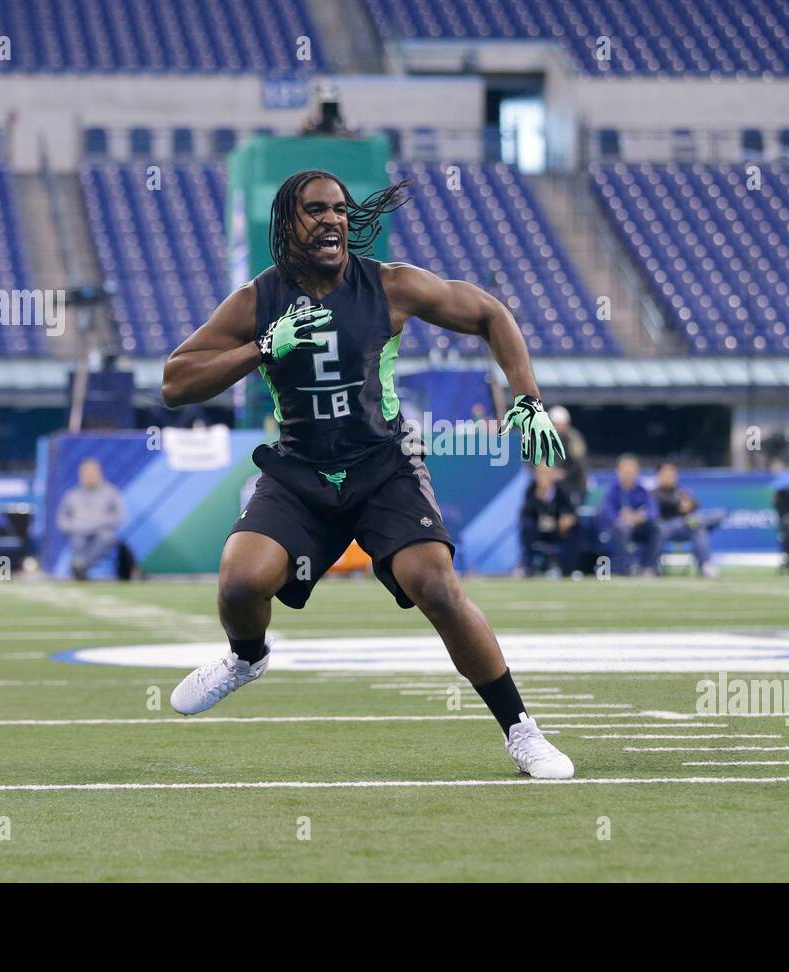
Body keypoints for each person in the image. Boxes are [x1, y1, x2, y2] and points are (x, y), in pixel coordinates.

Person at [159, 169, 573, 778]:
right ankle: (246, 659)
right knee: (241, 583)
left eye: (340, 210)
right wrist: (262, 348)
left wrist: (527, 396)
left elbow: (490, 314)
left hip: (383, 464)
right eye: (315, 210)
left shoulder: (389, 285)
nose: (332, 219)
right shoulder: (258, 299)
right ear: (287, 223)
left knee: (434, 584)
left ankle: (521, 730)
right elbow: (175, 381)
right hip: (300, 469)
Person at [56, 457, 126, 581]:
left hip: (101, 532)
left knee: (106, 537)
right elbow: (62, 520)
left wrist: (98, 523)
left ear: (99, 473)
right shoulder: (72, 494)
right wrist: (75, 526)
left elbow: (119, 516)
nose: (88, 476)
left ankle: (80, 565)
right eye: (85, 473)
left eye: (92, 473)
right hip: (79, 533)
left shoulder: (111, 492)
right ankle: (80, 567)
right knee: (77, 539)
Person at [652, 461, 720, 578]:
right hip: (664, 529)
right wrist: (680, 505)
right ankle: (695, 522)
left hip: (685, 529)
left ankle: (705, 565)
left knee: (700, 527)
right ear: (659, 475)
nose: (670, 476)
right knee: (693, 523)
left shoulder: (682, 491)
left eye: (672, 473)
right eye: (666, 473)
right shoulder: (654, 493)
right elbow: (663, 505)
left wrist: (689, 505)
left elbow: (695, 505)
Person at [598, 454, 660, 576]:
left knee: (656, 528)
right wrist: (620, 517)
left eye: (631, 472)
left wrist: (641, 516)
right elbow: (605, 511)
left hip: (639, 527)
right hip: (618, 529)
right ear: (618, 472)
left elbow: (653, 510)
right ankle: (624, 569)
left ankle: (647, 567)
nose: (628, 475)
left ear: (637, 473)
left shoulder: (642, 491)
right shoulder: (612, 491)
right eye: (625, 472)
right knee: (621, 528)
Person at [519, 464, 579, 576]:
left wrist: (566, 518)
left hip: (557, 530)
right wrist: (539, 496)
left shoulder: (562, 489)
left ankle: (568, 569)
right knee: (526, 526)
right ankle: (528, 567)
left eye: (547, 472)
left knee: (574, 528)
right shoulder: (532, 489)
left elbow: (571, 510)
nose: (544, 476)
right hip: (538, 530)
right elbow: (526, 512)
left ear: (553, 473)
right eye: (541, 473)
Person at [548, 405, 589, 505]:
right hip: (552, 486)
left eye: (560, 424)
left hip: (574, 485)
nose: (558, 428)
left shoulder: (574, 439)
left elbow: (579, 463)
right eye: (555, 424)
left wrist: (564, 473)